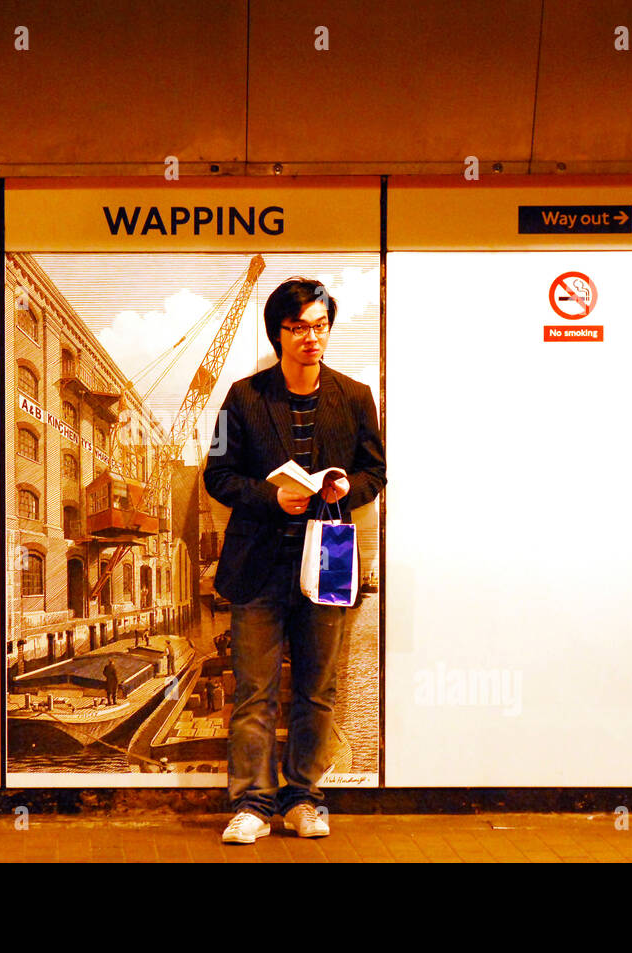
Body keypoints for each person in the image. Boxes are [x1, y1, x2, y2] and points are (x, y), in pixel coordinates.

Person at [204, 277, 386, 845]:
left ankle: (304, 797)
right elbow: (217, 474)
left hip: (328, 558)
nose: (312, 337)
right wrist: (270, 496)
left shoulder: (355, 397)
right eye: (299, 327)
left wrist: (342, 490)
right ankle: (253, 804)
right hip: (259, 562)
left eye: (320, 326)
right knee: (255, 689)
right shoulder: (242, 397)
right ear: (279, 332)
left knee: (317, 687)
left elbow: (374, 474)